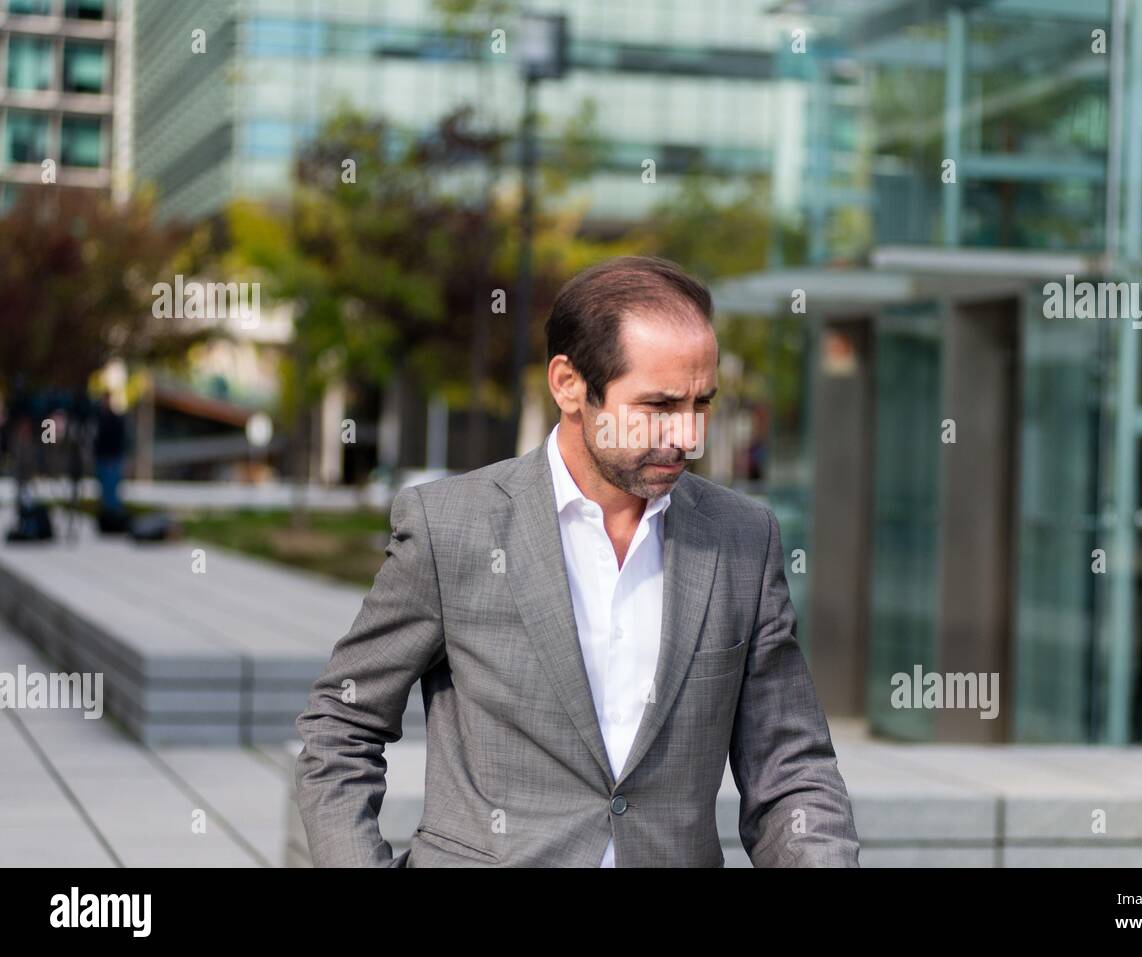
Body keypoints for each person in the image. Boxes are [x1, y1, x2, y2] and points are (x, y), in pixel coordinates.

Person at [295, 256, 860, 867]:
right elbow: (340, 728)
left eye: (702, 404)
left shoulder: (742, 538)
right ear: (568, 384)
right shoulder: (451, 527)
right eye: (658, 406)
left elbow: (790, 766)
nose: (686, 435)